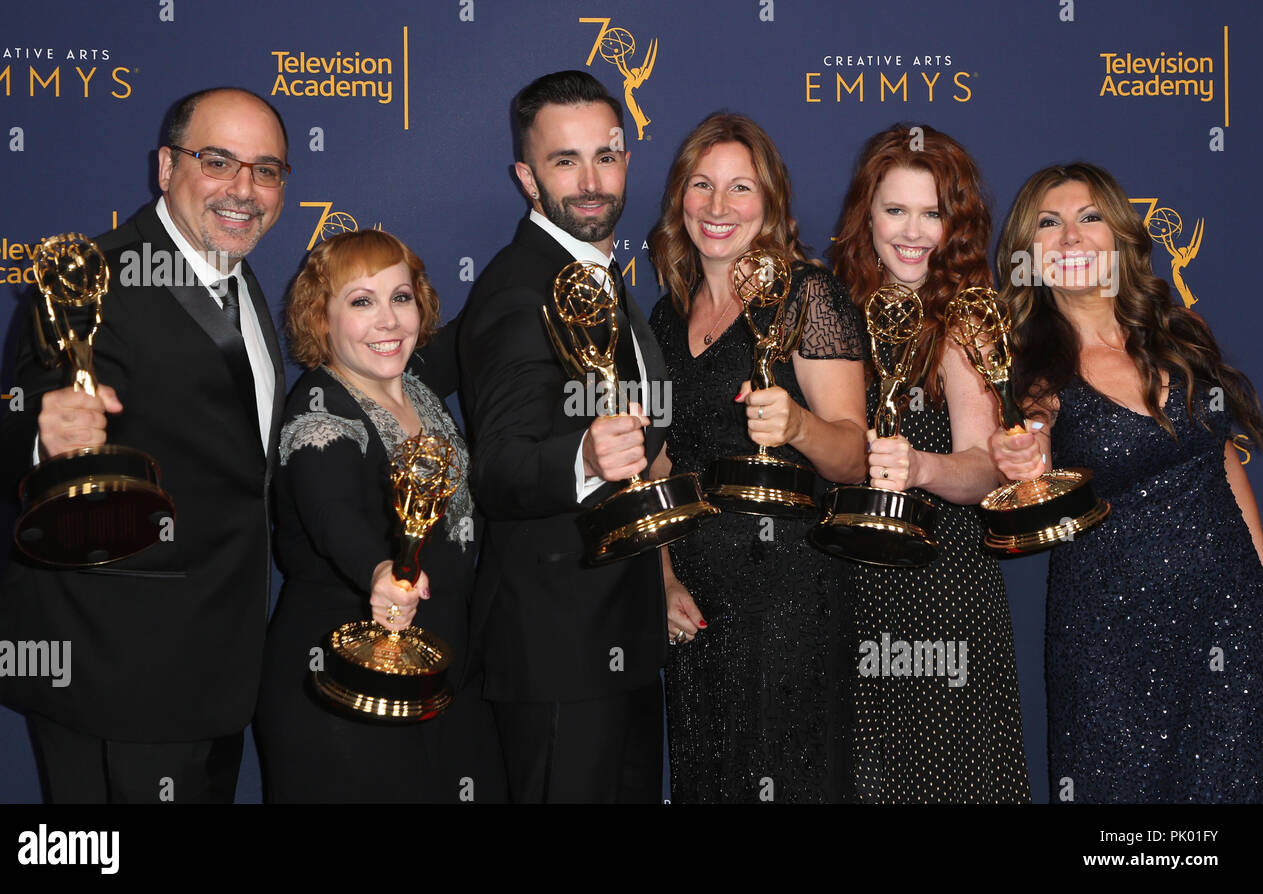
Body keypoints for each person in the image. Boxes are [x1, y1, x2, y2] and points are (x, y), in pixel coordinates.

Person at [0, 87, 289, 802]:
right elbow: (0, 451)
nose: (244, 189)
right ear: (165, 167)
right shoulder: (93, 279)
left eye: (267, 170)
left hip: (215, 670)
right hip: (114, 668)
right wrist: (40, 440)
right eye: (218, 161)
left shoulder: (241, 285)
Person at [992, 162, 1263, 803]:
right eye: (1049, 224)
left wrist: (1261, 587)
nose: (1070, 237)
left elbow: (1222, 461)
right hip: (1109, 635)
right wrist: (1027, 452)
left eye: (1089, 217)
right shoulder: (1029, 371)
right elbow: (1024, 447)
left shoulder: (1180, 335)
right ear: (1027, 253)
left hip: (1228, 614)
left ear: (1118, 236)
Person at [457, 70, 666, 802]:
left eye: (604, 157)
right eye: (562, 161)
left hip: (620, 640)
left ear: (626, 161)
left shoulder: (599, 276)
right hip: (556, 655)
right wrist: (580, 455)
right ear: (527, 177)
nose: (589, 181)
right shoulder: (521, 290)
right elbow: (500, 469)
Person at [647, 113, 867, 802]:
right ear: (679, 196)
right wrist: (661, 576)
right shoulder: (663, 315)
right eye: (702, 185)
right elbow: (657, 467)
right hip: (697, 598)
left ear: (770, 201)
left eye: (740, 188)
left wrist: (799, 423)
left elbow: (854, 457)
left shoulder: (809, 296)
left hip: (788, 598)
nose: (718, 207)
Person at [254, 230, 504, 803]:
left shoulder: (416, 386)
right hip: (343, 691)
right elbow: (329, 508)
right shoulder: (318, 409)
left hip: (441, 680)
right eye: (361, 301)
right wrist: (376, 571)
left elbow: (482, 321)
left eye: (401, 297)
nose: (388, 320)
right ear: (322, 318)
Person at [828, 124, 1030, 802]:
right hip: (844, 585)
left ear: (956, 222)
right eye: (895, 210)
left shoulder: (965, 318)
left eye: (932, 212)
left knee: (948, 775)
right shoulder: (830, 311)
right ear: (867, 215)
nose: (912, 232)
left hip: (942, 586)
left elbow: (983, 468)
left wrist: (919, 469)